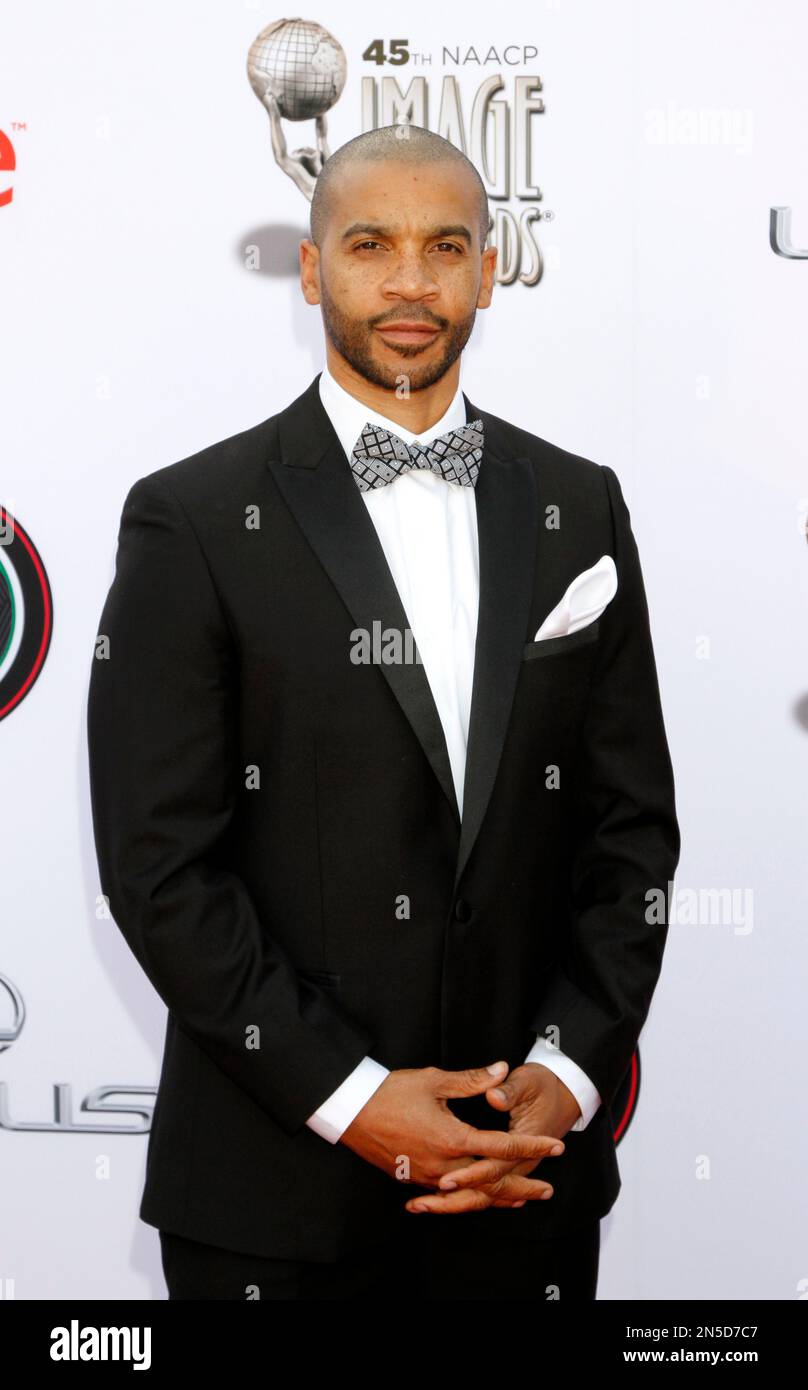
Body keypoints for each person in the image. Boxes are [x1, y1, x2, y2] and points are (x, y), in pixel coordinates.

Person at [86, 123, 680, 1300]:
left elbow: (632, 834)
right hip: (273, 1206)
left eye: (444, 246)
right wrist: (357, 1102)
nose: (410, 281)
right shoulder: (192, 520)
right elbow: (160, 867)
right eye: (370, 244)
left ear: (487, 270)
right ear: (312, 272)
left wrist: (559, 1076)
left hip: (524, 1185)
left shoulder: (577, 506)